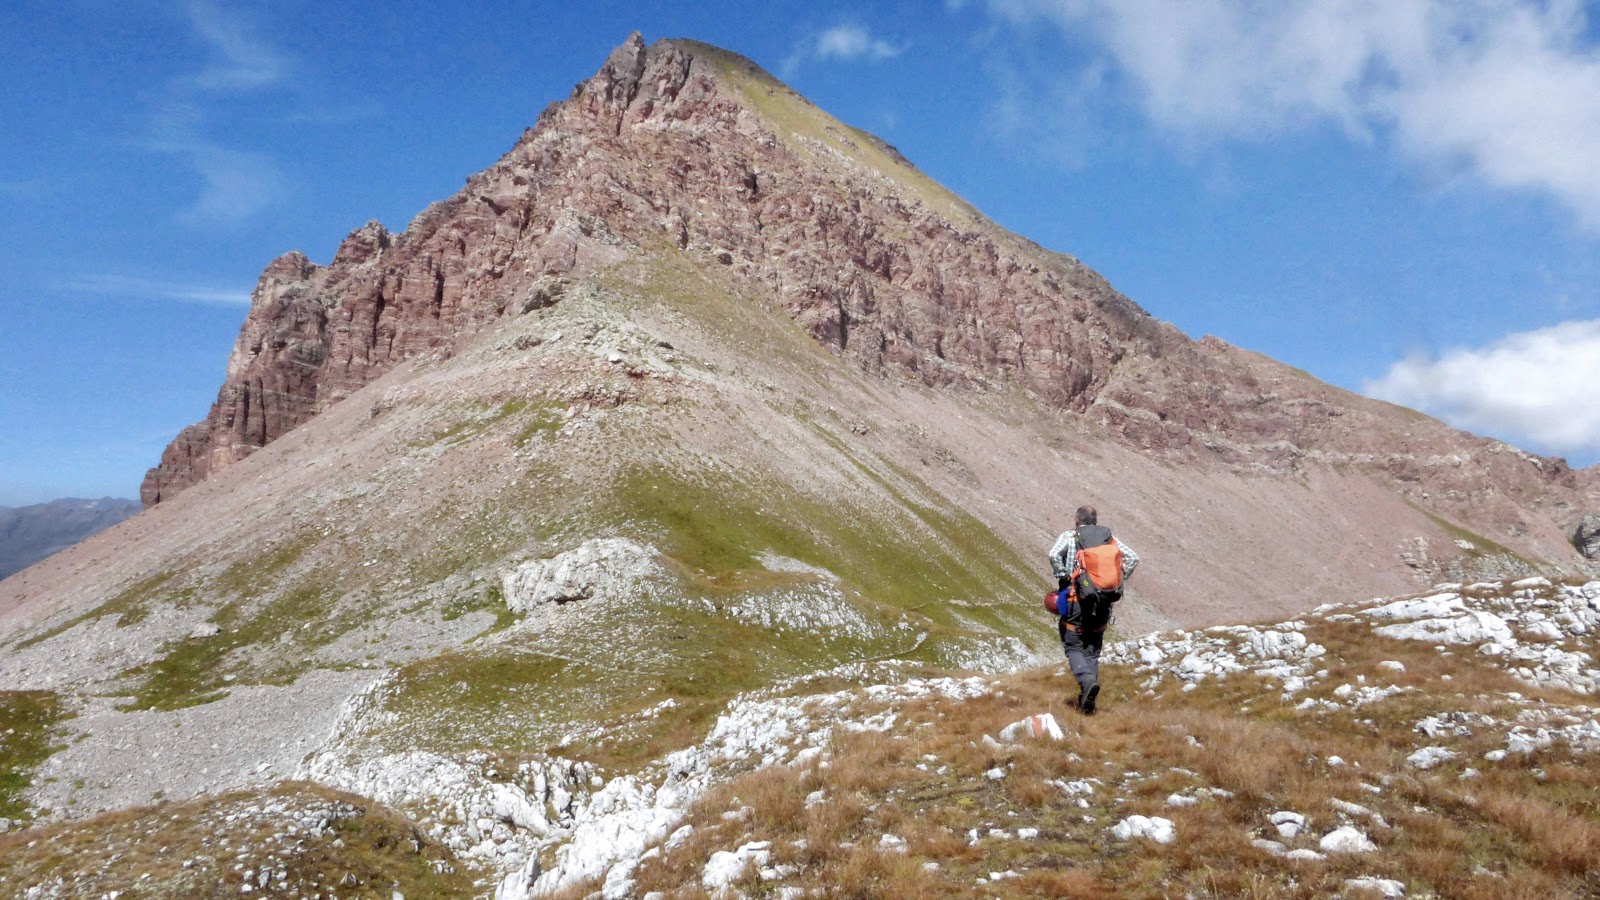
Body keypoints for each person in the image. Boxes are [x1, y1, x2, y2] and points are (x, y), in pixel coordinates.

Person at [1049, 505, 1139, 714]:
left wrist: (1064, 574)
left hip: (1075, 601)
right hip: (1103, 603)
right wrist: (1118, 578)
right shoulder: (1109, 539)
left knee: (1073, 646)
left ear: (1077, 520)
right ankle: (1087, 702)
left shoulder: (1070, 537)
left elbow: (1054, 555)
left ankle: (1087, 681)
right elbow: (1133, 557)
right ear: (1095, 521)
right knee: (1092, 649)